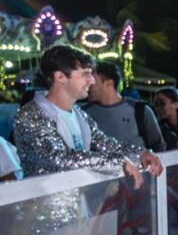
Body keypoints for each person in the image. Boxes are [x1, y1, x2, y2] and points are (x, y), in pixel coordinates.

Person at [14, 45, 162, 185]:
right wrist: (118, 162)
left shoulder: (78, 113)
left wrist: (140, 154)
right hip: (43, 207)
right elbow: (58, 158)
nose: (92, 81)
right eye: (86, 74)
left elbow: (103, 143)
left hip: (81, 203)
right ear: (60, 77)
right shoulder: (30, 115)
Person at [83, 62, 165, 153]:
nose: (88, 83)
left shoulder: (140, 111)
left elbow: (158, 147)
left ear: (108, 83)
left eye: (92, 78)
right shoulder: (84, 113)